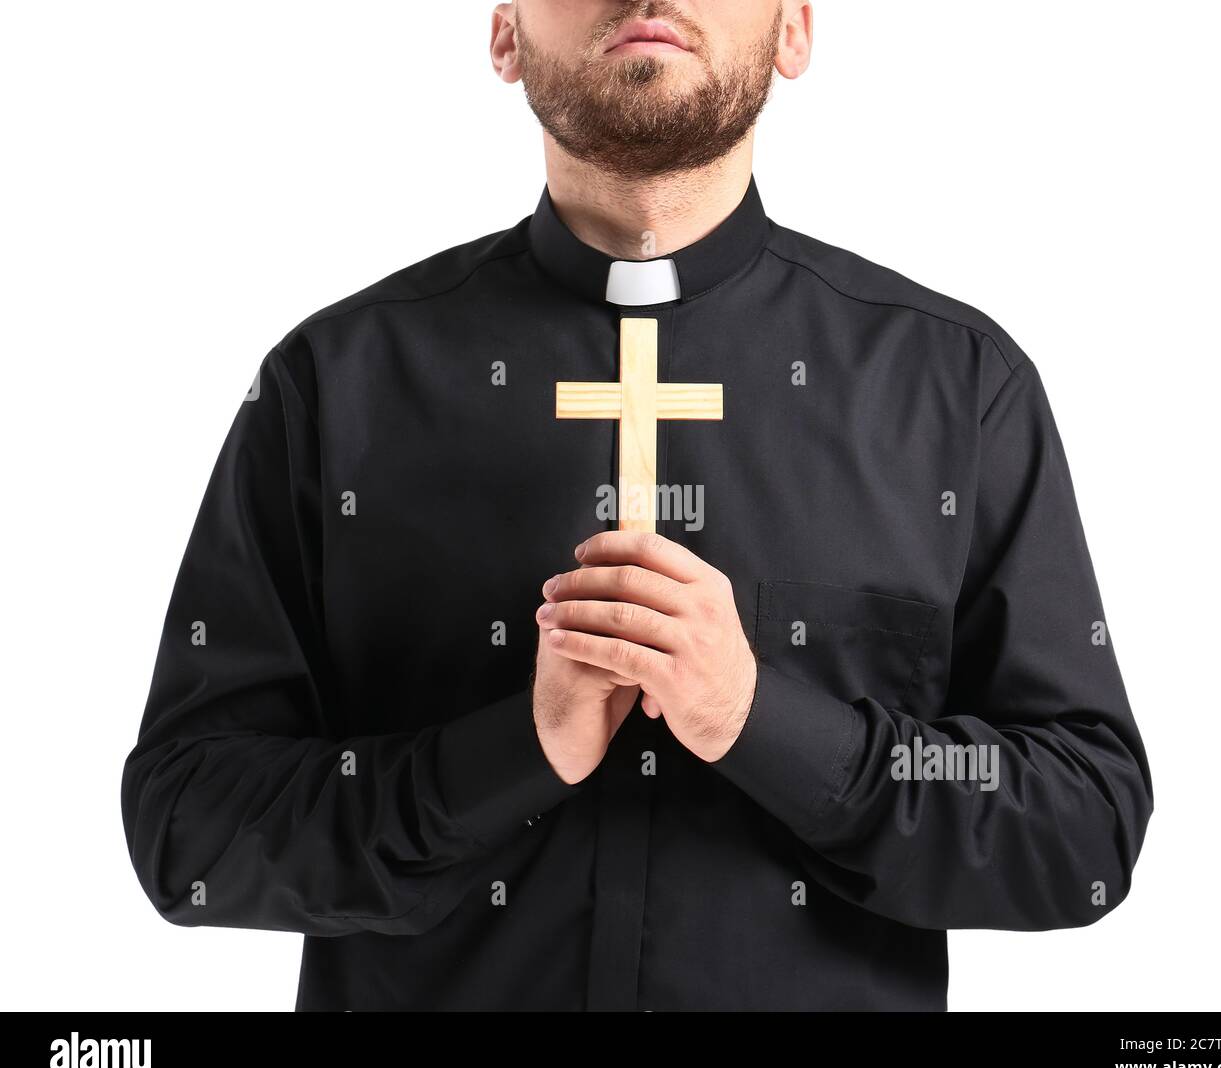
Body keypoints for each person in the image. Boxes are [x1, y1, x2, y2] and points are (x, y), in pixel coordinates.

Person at [122, 0, 1154, 1011]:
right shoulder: (333, 387)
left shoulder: (956, 391)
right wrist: (512, 753)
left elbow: (1084, 825)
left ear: (795, 28)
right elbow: (187, 828)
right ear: (503, 30)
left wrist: (769, 724)